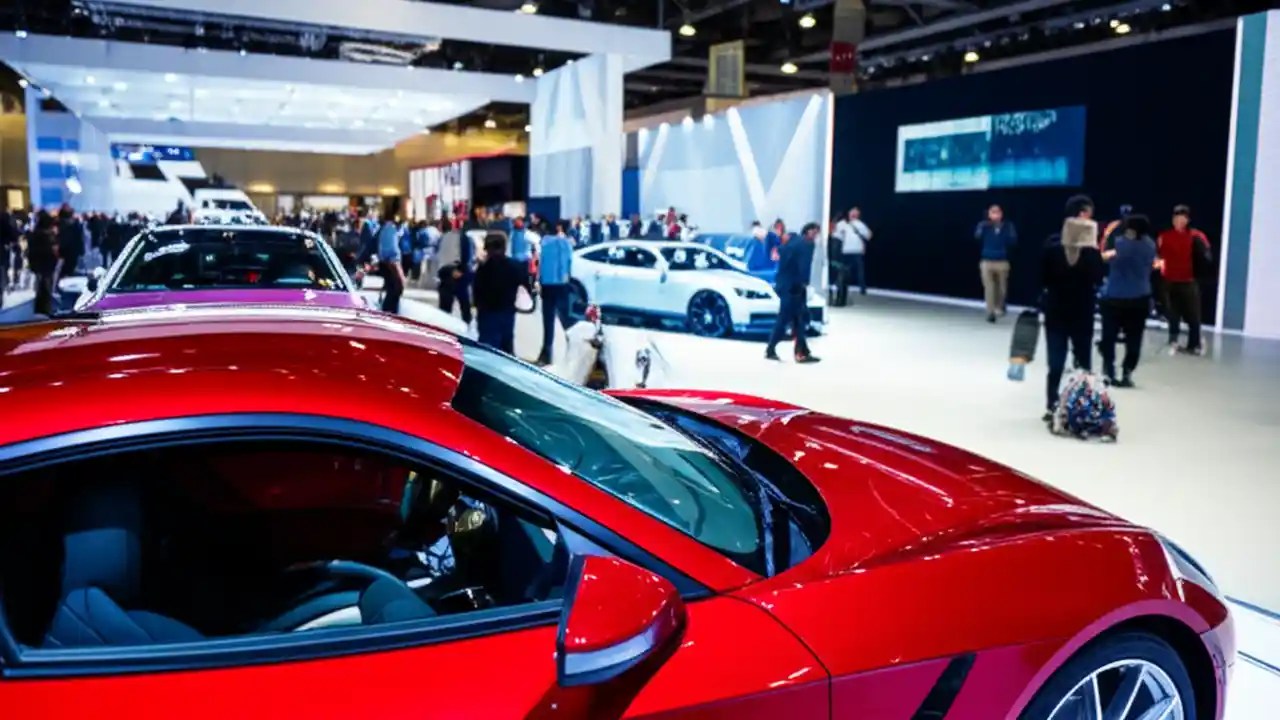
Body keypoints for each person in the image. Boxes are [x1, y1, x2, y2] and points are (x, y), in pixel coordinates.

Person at [1041, 195, 1105, 422]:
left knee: (1084, 363)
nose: (1087, 219)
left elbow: (1098, 277)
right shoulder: (1052, 245)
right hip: (1058, 312)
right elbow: (1044, 277)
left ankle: (1083, 405)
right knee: (1056, 362)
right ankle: (1052, 404)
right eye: (1084, 214)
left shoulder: (1091, 251)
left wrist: (1092, 251)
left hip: (1081, 312)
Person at [1098, 214, 1159, 387]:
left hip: (1114, 297)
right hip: (1139, 299)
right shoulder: (1150, 246)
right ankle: (1127, 372)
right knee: (1134, 338)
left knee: (1109, 337)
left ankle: (1109, 371)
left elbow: (1102, 257)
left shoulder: (1119, 244)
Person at [1157, 205, 1210, 356]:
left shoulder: (1196, 236)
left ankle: (1195, 344)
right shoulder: (1164, 236)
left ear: (1187, 219)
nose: (1179, 220)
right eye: (1176, 217)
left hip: (1188, 281)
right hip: (1169, 280)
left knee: (1193, 315)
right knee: (1172, 313)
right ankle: (1173, 339)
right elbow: (1159, 256)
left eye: (1182, 217)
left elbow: (1207, 258)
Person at [765, 222, 821, 364]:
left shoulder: (791, 243)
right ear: (809, 231)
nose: (816, 236)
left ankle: (801, 351)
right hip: (794, 287)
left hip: (785, 285)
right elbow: (804, 266)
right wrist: (804, 283)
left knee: (798, 319)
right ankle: (776, 349)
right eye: (815, 233)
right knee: (787, 318)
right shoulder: (806, 245)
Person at [473, 233, 530, 354]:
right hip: (507, 313)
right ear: (504, 247)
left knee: (486, 352)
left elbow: (476, 292)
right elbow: (526, 285)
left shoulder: (483, 269)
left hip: (487, 314)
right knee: (506, 351)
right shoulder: (515, 266)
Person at [537, 221, 574, 365]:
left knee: (548, 318)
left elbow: (540, 263)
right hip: (562, 283)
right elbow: (570, 262)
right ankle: (570, 348)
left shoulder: (544, 243)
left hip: (547, 284)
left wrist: (539, 280)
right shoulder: (566, 243)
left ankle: (547, 351)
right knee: (565, 316)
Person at [975, 204, 1018, 322]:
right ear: (989, 214)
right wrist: (985, 227)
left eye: (997, 212)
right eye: (992, 212)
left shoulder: (1008, 226)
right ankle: (990, 312)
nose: (995, 215)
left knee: (1002, 288)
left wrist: (1002, 232)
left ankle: (1000, 306)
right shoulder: (983, 226)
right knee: (989, 288)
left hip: (1002, 261)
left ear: (1001, 214)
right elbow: (977, 237)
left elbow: (1013, 240)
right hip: (987, 261)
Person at [834, 206, 871, 305]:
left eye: (855, 213)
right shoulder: (842, 224)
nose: (853, 215)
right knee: (844, 273)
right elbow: (837, 237)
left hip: (856, 251)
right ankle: (841, 289)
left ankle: (862, 287)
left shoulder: (860, 225)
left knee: (859, 271)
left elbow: (868, 235)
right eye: (852, 212)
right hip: (845, 251)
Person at [28, 210, 59, 316]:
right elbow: (49, 251)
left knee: (42, 286)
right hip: (46, 264)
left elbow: (32, 252)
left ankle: (40, 308)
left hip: (40, 265)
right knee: (46, 286)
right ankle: (46, 309)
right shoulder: (47, 236)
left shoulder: (35, 234)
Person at [376, 217, 405, 314]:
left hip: (390, 264)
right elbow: (390, 253)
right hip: (391, 264)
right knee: (395, 291)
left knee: (393, 293)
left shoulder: (392, 228)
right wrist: (397, 269)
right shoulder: (390, 228)